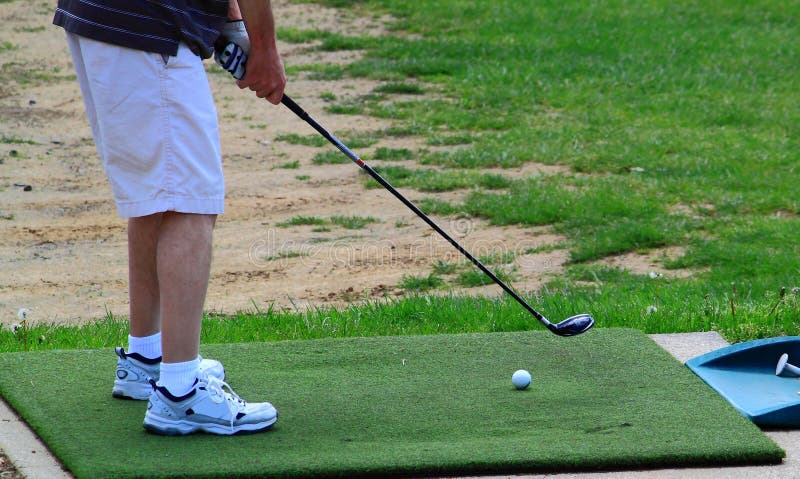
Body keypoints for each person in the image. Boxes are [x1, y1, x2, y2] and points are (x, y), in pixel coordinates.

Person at [52, 0, 286, 435]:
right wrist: (266, 51)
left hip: (103, 17)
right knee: (189, 201)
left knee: (158, 192)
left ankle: (147, 359)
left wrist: (231, 22)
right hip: (147, 26)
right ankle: (180, 392)